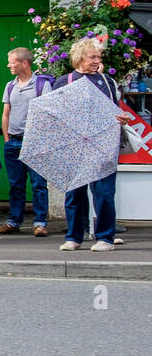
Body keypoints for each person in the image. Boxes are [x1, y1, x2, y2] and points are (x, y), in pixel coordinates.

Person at [58, 39, 135, 252]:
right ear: (80, 57)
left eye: (98, 57)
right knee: (74, 194)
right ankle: (74, 237)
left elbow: (115, 109)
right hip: (75, 146)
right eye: (93, 57)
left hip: (103, 144)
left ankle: (105, 238)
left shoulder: (106, 81)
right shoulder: (65, 81)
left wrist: (121, 118)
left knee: (103, 193)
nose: (97, 61)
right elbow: (56, 113)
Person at [0, 47, 52, 237]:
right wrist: (7, 139)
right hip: (14, 142)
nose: (8, 65)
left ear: (24, 63)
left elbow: (48, 114)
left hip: (35, 142)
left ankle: (40, 223)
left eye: (12, 62)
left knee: (38, 185)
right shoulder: (10, 86)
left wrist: (40, 139)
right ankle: (14, 221)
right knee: (16, 185)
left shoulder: (42, 85)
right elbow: (6, 113)